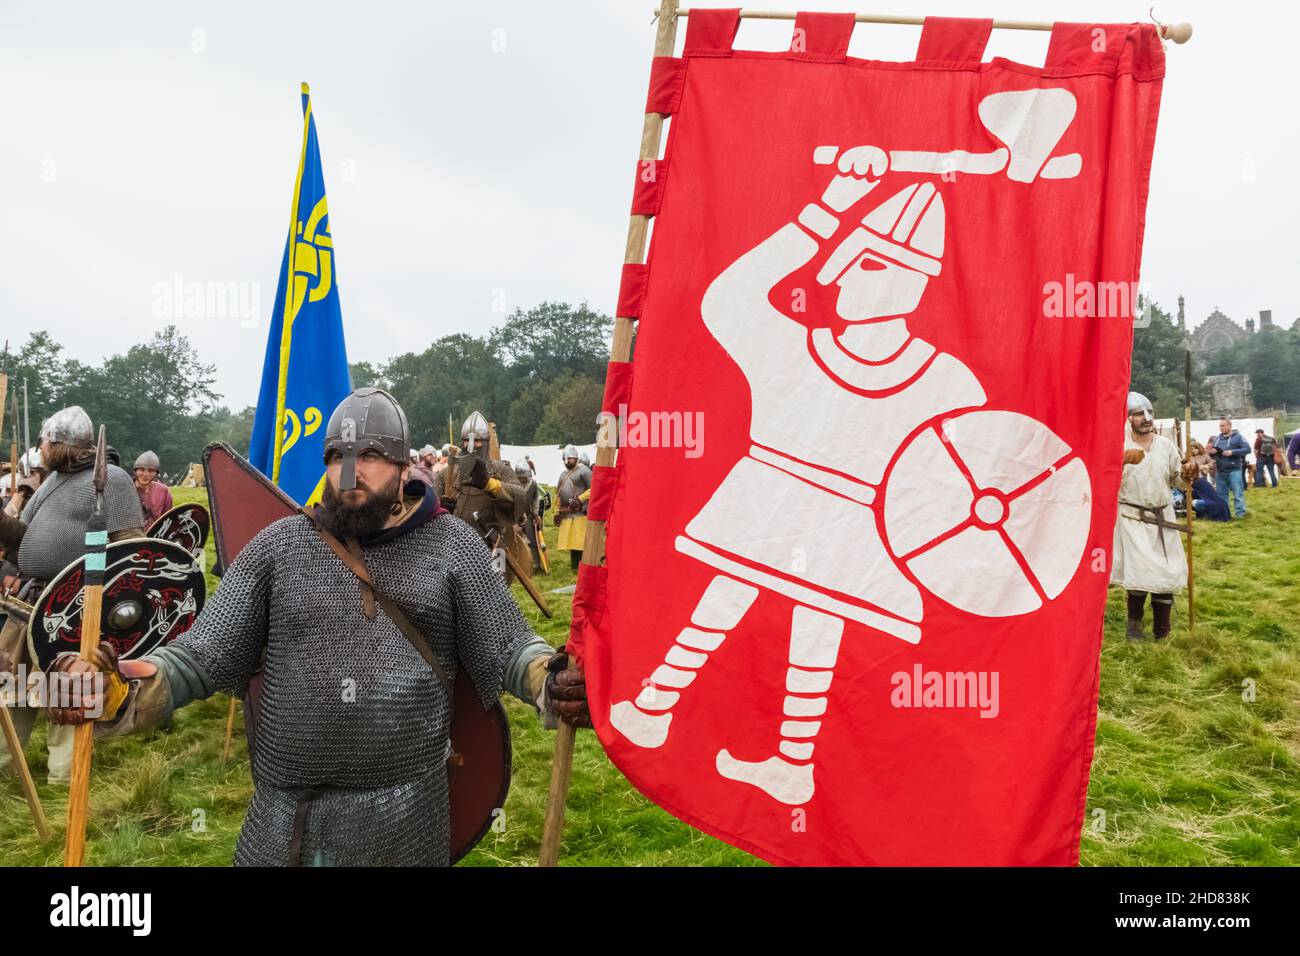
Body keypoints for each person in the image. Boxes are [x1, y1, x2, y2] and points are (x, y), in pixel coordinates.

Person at [48, 388, 590, 866]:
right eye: (337, 457)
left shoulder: (451, 549)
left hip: (401, 817)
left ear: (404, 468)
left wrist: (551, 678)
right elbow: (202, 656)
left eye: (370, 456)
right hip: (284, 821)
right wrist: (122, 685)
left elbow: (508, 648)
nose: (349, 472)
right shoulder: (280, 547)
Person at [0, 406, 145, 784]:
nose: (42, 447)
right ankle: (6, 765)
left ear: (57, 443)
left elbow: (131, 551)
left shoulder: (110, 479)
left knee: (69, 689)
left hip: (78, 605)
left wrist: (103, 604)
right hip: (31, 601)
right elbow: (25, 539)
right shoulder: (50, 482)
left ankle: (64, 776)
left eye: (45, 440)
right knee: (14, 684)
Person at [1111, 392, 1195, 641]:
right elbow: (1102, 480)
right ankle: (1134, 626)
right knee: (1140, 575)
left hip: (1163, 516)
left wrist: (1190, 474)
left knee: (1169, 573)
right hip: (1132, 517)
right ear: (1128, 419)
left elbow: (1177, 479)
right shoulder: (1119, 445)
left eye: (1149, 413)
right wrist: (1121, 462)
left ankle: (1162, 631)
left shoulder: (1166, 445)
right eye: (1139, 414)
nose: (1146, 418)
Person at [555, 445, 591, 571]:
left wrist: (579, 499)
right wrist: (556, 512)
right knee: (572, 542)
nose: (567, 461)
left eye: (569, 459)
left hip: (580, 512)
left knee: (580, 542)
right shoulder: (562, 475)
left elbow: (594, 488)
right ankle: (575, 567)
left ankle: (583, 566)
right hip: (567, 514)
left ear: (575, 458)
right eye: (565, 459)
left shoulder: (584, 471)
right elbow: (558, 495)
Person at [1206, 418, 1250, 518]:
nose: (1221, 428)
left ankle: (1240, 515)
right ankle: (1225, 514)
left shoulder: (1238, 437)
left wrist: (1232, 452)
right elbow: (1214, 453)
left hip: (1234, 470)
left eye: (1223, 426)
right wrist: (1212, 454)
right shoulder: (1217, 439)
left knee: (1237, 493)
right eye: (1220, 426)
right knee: (1221, 495)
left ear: (1229, 426)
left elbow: (1247, 449)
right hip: (1220, 470)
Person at [133, 450, 173, 526]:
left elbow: (168, 519)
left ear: (156, 473)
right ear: (135, 471)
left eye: (151, 471)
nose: (146, 474)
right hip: (133, 535)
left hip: (156, 535)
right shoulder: (126, 488)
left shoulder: (163, 491)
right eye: (141, 470)